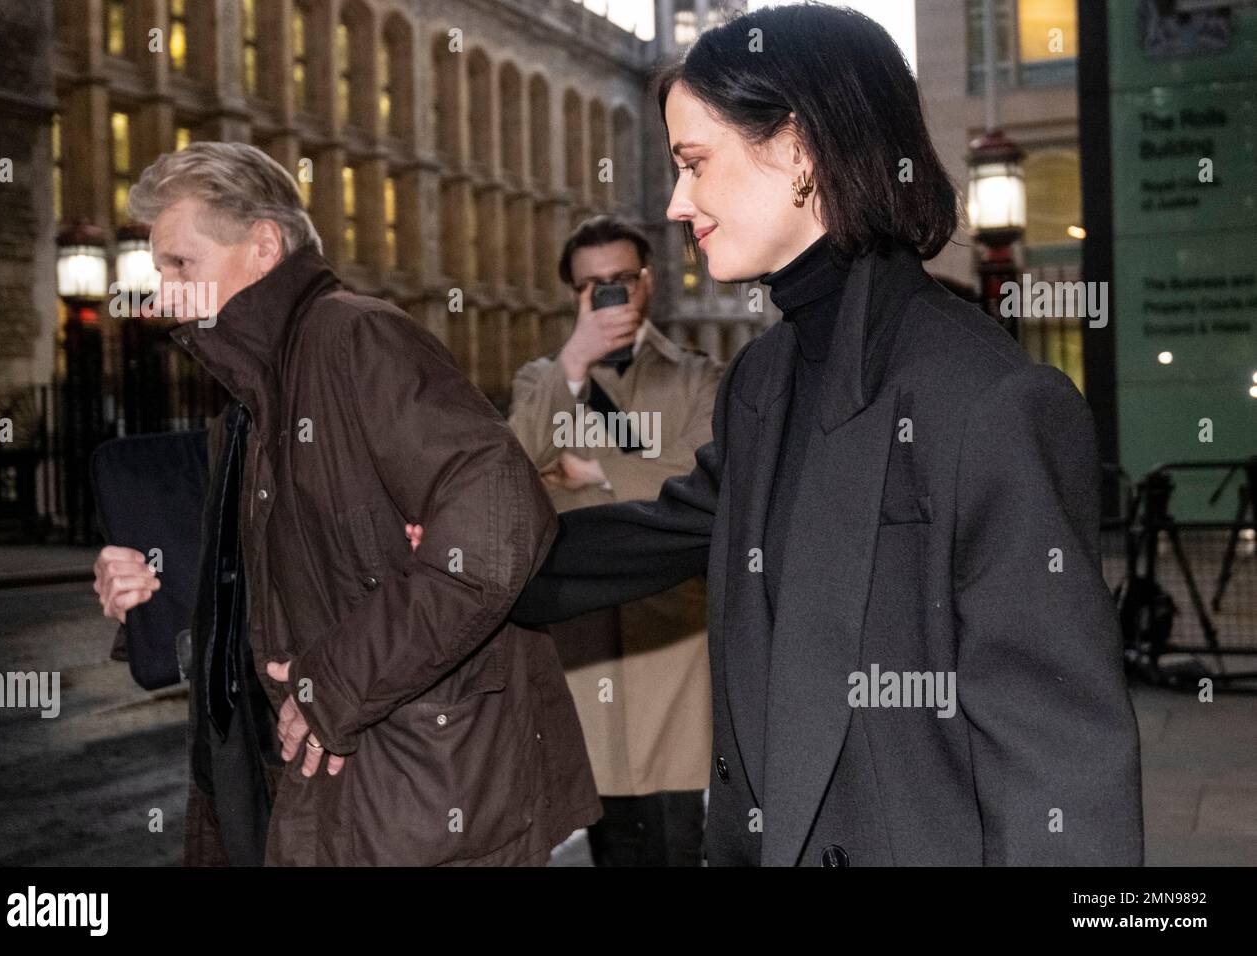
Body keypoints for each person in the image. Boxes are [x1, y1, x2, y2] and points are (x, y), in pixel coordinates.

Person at [511, 4, 1144, 866]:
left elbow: (1064, 776)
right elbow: (663, 532)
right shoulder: (766, 379)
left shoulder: (983, 396)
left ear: (801, 151)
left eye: (695, 164)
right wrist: (457, 565)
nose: (676, 203)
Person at [93, 141, 600, 865]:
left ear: (264, 245)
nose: (162, 291)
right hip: (298, 789)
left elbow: (499, 525)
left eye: (181, 264)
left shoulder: (357, 337)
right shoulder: (250, 400)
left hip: (418, 798)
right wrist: (148, 590)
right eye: (157, 271)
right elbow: (265, 591)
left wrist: (337, 683)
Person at [508, 215, 723, 865]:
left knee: (678, 841)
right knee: (612, 845)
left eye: (622, 280)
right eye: (591, 286)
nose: (609, 295)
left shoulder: (698, 376)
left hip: (673, 648)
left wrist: (592, 471)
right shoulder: (543, 382)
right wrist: (573, 361)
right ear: (572, 294)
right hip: (585, 649)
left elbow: (709, 477)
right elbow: (510, 475)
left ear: (648, 282)